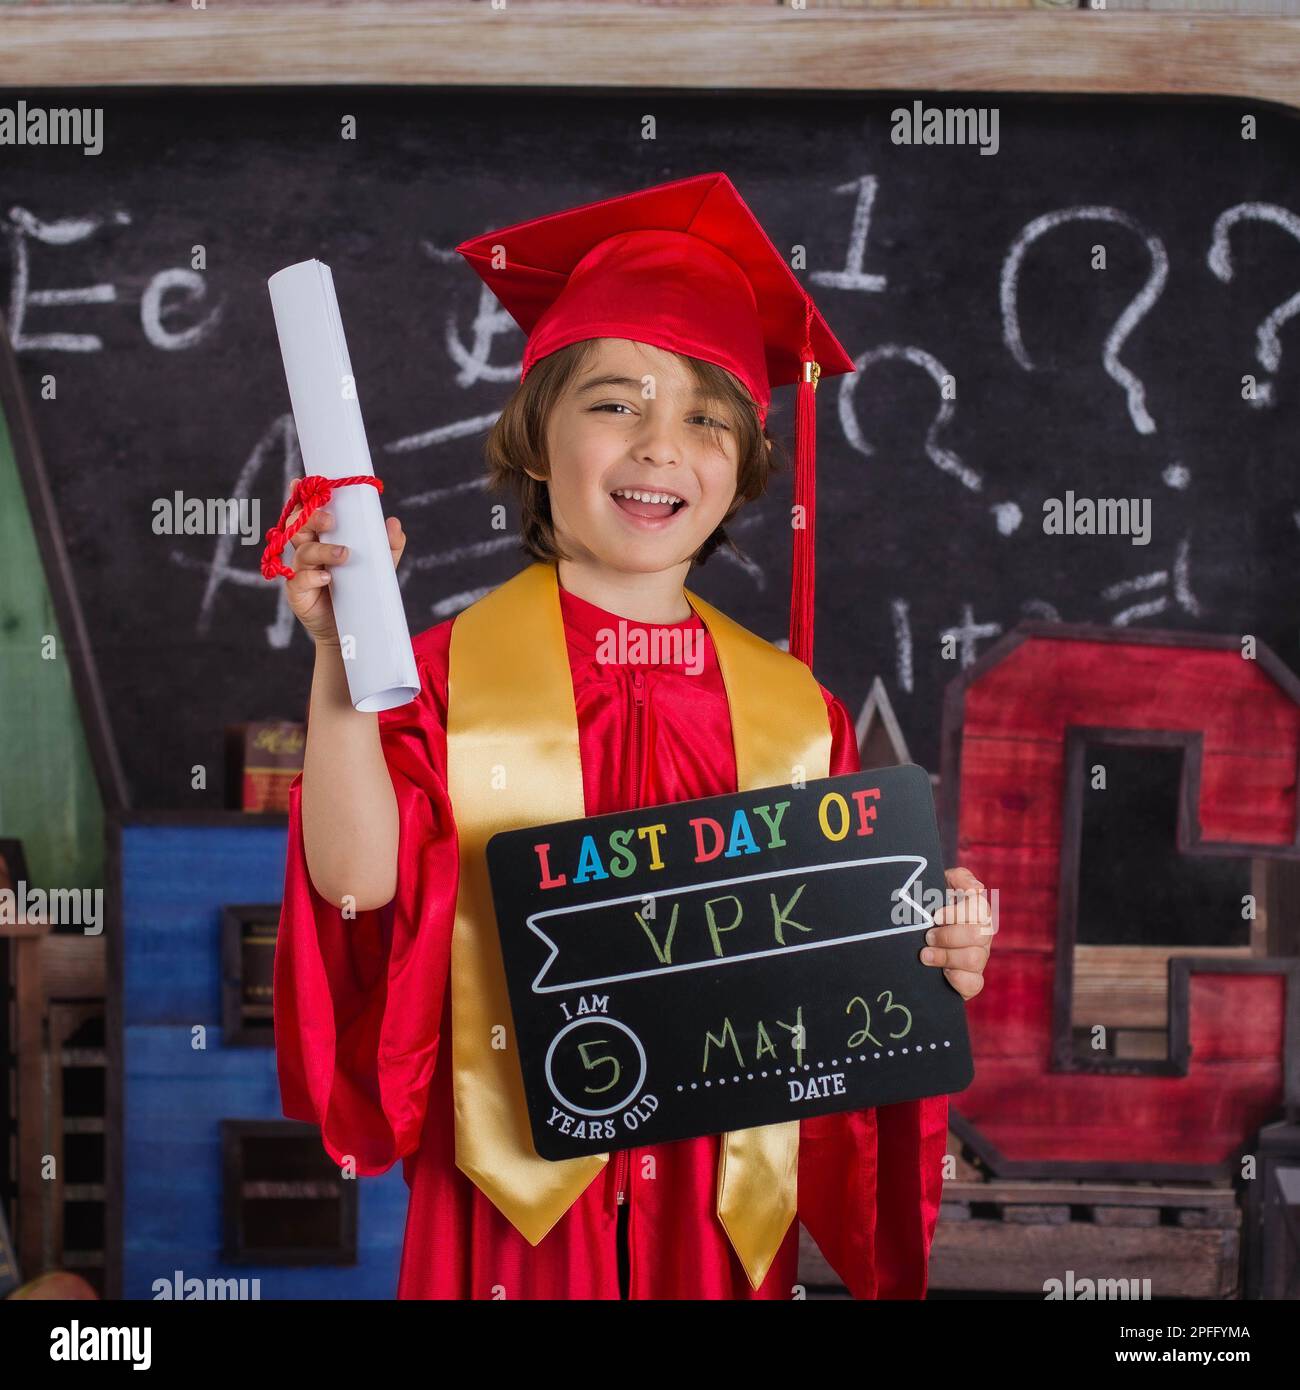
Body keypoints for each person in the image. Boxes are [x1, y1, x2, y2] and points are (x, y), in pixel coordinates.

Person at [271, 172, 993, 1300]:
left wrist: (938, 957)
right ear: (531, 438)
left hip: (710, 1212)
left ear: (745, 463)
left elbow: (846, 991)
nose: (662, 445)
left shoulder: (798, 714)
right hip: (510, 1207)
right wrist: (337, 657)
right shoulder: (447, 679)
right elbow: (358, 887)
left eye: (707, 416)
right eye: (615, 403)